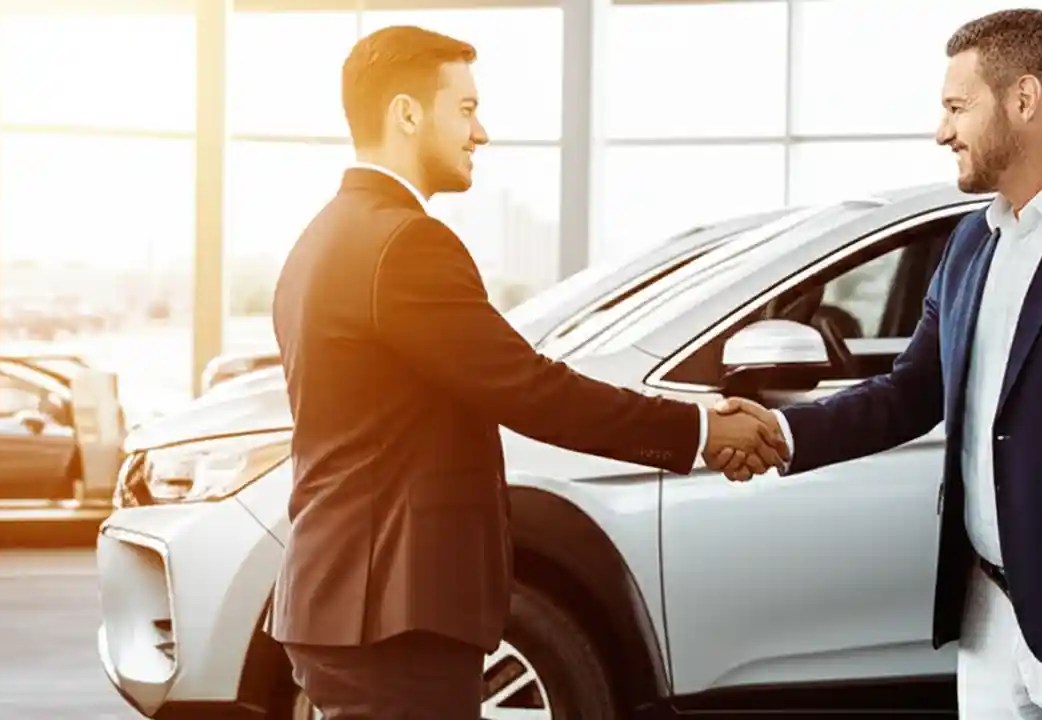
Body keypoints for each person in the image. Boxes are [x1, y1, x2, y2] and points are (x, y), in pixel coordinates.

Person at [713, 9, 1042, 720]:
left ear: (1024, 99)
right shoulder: (969, 245)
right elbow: (910, 390)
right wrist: (782, 432)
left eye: (958, 106)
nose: (942, 130)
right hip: (988, 615)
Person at [268, 25, 788, 720]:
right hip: (392, 614)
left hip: (343, 599)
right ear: (406, 114)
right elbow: (529, 387)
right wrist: (697, 428)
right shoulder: (406, 242)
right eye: (465, 108)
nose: (479, 132)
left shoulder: (322, 236)